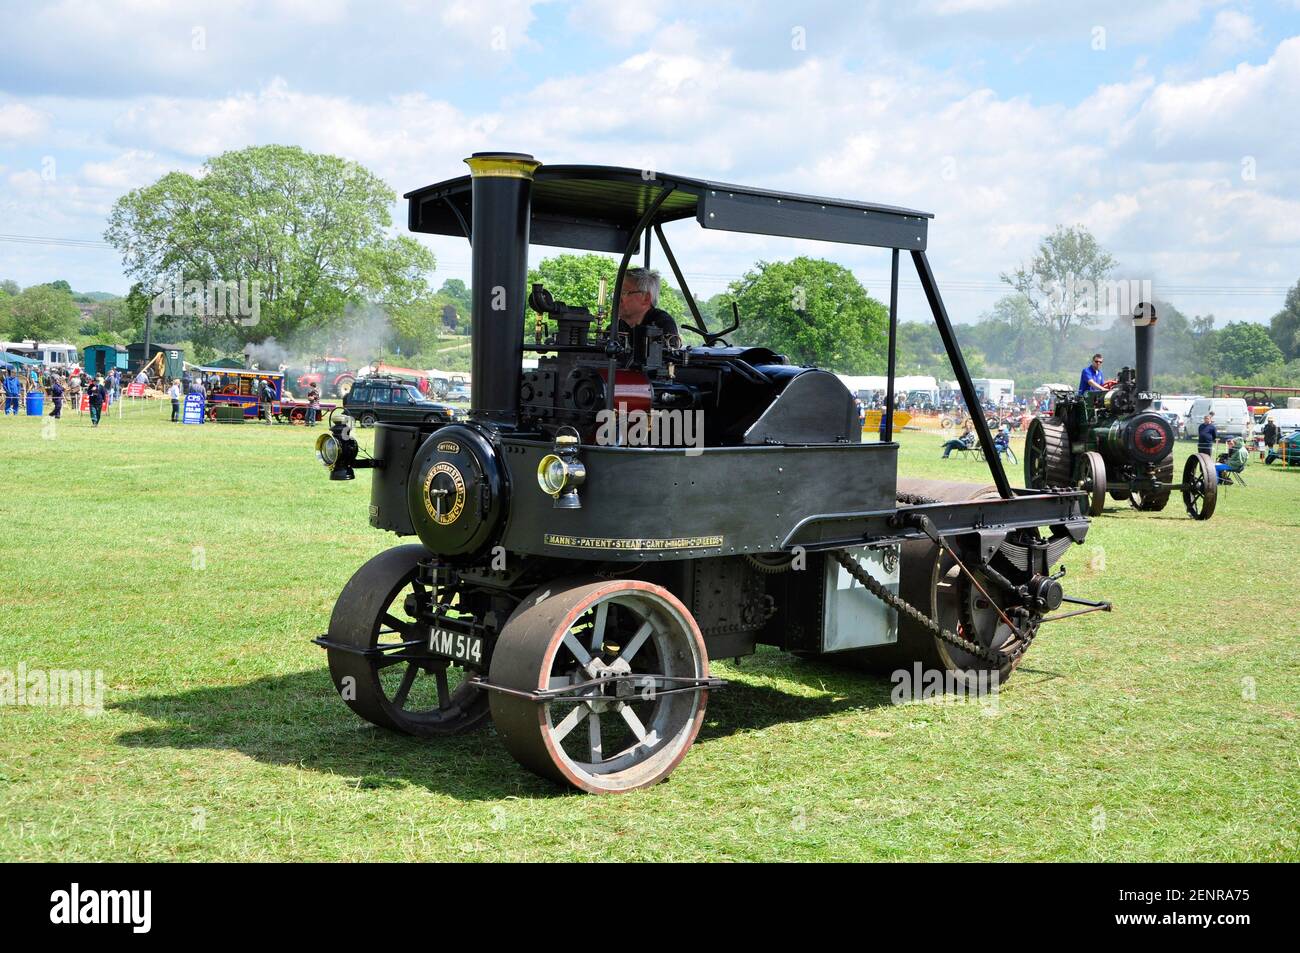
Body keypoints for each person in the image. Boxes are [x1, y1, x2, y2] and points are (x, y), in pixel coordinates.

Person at [617, 267, 679, 339]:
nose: (617, 298)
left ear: (646, 298)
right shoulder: (617, 326)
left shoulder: (663, 324)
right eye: (617, 293)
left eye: (624, 292)